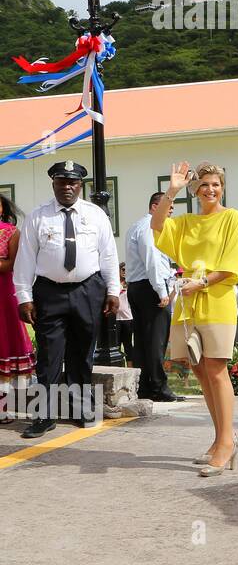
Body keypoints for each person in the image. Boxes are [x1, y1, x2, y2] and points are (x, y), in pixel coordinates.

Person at [13, 161, 120, 438]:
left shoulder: (96, 215)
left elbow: (108, 255)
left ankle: (81, 409)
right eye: (62, 182)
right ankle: (43, 417)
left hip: (88, 289)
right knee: (49, 355)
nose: (67, 187)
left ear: (80, 185)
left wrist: (112, 290)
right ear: (54, 184)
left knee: (83, 353)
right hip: (50, 292)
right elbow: (25, 259)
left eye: (73, 182)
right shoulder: (39, 216)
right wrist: (24, 297)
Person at [154, 161, 238, 476]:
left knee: (217, 370)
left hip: (216, 299)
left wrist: (203, 282)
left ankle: (226, 442)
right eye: (204, 184)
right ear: (196, 190)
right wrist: (171, 191)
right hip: (188, 301)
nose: (210, 189)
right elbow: (157, 227)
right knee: (200, 370)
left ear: (223, 188)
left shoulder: (231, 218)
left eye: (216, 184)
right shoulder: (187, 222)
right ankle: (223, 438)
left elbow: (233, 265)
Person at [124, 192, 179, 401]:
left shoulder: (136, 225)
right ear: (155, 207)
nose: (170, 213)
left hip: (138, 286)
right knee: (156, 339)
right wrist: (162, 291)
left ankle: (145, 384)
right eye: (168, 208)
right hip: (151, 286)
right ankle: (157, 386)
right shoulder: (149, 227)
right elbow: (152, 260)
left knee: (143, 339)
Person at [0, 194, 35, 423]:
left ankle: (3, 409)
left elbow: (13, 263)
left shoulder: (11, 232)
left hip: (3, 294)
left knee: (4, 346)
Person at [116, 263, 134, 363]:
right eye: (122, 269)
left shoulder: (131, 284)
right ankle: (118, 366)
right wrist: (120, 286)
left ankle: (130, 368)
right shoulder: (115, 284)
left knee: (128, 345)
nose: (124, 272)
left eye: (127, 270)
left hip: (128, 319)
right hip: (116, 319)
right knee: (116, 345)